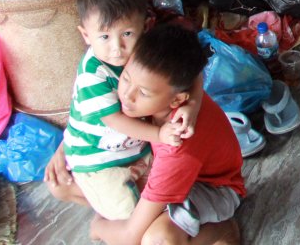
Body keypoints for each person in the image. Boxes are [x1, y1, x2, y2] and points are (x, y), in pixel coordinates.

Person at [45, 0, 198, 222]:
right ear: (86, 35)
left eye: (126, 33)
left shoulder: (148, 46)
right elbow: (115, 120)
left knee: (172, 183)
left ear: (146, 26)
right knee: (128, 210)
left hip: (132, 147)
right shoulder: (93, 74)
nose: (117, 47)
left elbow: (192, 66)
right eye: (104, 37)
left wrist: (193, 104)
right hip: (96, 158)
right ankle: (95, 205)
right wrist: (159, 134)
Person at [88, 25, 244, 245]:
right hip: (174, 171)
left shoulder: (178, 144)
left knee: (157, 239)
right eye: (126, 78)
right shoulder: (160, 85)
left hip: (214, 188)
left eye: (143, 93)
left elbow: (129, 237)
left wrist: (97, 227)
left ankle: (221, 230)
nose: (127, 96)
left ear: (177, 100)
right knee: (81, 187)